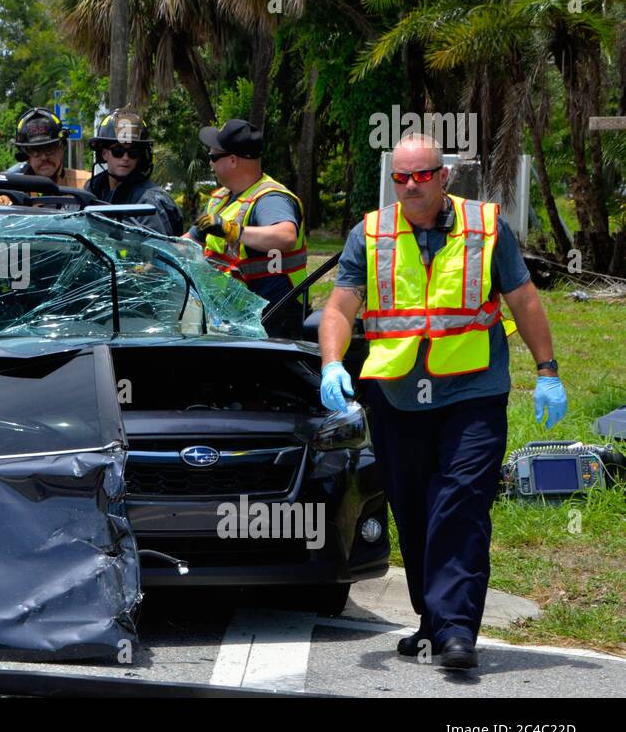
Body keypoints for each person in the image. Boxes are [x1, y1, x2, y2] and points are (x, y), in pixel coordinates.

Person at [319, 132, 569, 671]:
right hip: (397, 396)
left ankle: (456, 630)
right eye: (401, 177)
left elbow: (523, 298)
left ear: (443, 176)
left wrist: (546, 370)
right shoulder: (371, 233)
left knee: (461, 503)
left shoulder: (486, 226)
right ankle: (432, 623)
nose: (411, 185)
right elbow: (339, 307)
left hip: (472, 392)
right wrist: (332, 363)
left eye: (422, 175)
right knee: (413, 513)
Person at [187, 119, 308, 338]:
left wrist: (234, 231)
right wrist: (155, 257)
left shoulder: (270, 199)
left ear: (233, 160)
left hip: (272, 320)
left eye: (213, 157)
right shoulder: (221, 199)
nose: (210, 164)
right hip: (232, 317)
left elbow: (285, 236)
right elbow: (189, 241)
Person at [85, 108, 183, 236]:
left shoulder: (149, 201)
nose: (126, 158)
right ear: (104, 154)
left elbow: (154, 245)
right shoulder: (93, 189)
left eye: (133, 152)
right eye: (118, 151)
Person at [7, 107, 67, 184]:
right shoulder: (13, 186)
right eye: (35, 151)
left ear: (61, 149)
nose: (44, 157)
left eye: (49, 149)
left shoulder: (82, 184)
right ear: (26, 156)